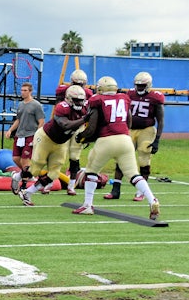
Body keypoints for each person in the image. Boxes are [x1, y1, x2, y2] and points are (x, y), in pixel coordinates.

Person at [72, 76, 160, 220]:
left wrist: (82, 137)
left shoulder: (97, 100)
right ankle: (152, 200)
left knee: (91, 172)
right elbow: (129, 122)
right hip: (125, 139)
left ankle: (88, 205)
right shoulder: (124, 99)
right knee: (133, 174)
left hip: (106, 140)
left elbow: (92, 126)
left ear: (100, 89)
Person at [16, 85, 88, 206]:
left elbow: (82, 126)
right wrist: (84, 119)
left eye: (81, 100)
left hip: (61, 143)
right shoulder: (62, 107)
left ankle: (28, 192)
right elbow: (64, 125)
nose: (79, 103)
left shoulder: (85, 109)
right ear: (69, 99)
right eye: (76, 100)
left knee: (54, 173)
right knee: (35, 169)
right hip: (46, 138)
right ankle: (17, 176)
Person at [105, 71, 165, 201]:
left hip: (147, 130)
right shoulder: (130, 94)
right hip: (131, 129)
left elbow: (160, 120)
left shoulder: (156, 97)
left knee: (144, 157)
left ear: (148, 85)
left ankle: (141, 191)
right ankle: (115, 189)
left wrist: (157, 140)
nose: (140, 88)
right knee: (121, 157)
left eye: (142, 85)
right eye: (138, 85)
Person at [54, 69, 93, 193]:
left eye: (80, 85)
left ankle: (71, 185)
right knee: (59, 154)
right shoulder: (63, 91)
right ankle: (50, 182)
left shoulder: (88, 94)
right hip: (64, 125)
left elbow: (91, 113)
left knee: (74, 156)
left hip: (79, 125)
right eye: (76, 84)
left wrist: (87, 132)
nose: (78, 88)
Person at [6, 82, 45, 191]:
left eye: (25, 90)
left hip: (30, 135)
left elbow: (41, 122)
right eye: (22, 90)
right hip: (20, 135)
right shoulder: (21, 104)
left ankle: (23, 185)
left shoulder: (36, 105)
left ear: (30, 91)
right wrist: (10, 130)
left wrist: (37, 136)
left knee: (25, 160)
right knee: (15, 158)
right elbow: (18, 120)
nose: (22, 92)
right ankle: (29, 174)